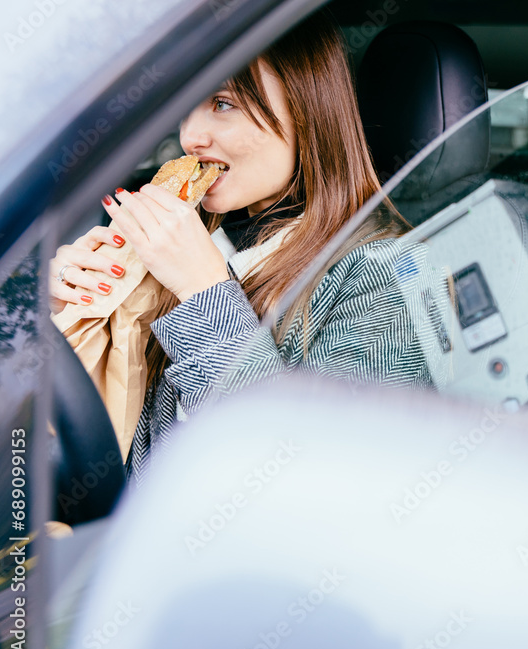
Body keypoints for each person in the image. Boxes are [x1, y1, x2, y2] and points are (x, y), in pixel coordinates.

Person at [48, 10, 432, 486]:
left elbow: (308, 483)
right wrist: (69, 318)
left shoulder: (384, 278)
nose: (190, 137)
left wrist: (202, 290)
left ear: (307, 108)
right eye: (185, 107)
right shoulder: (194, 240)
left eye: (223, 104)